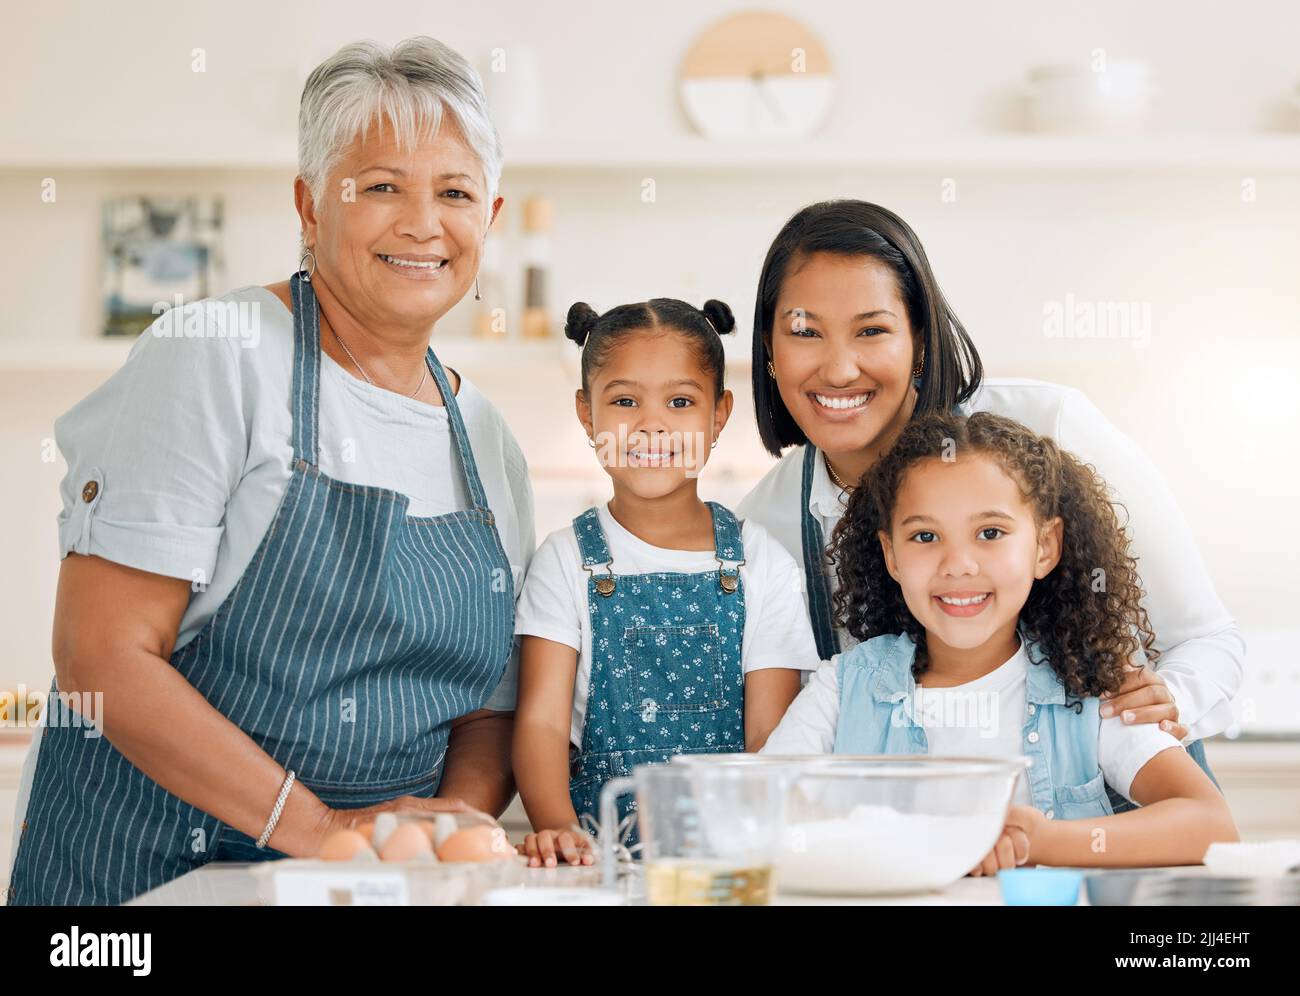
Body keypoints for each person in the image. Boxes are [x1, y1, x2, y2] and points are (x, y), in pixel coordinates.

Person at [8, 37, 531, 905]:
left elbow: (488, 708)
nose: (421, 224)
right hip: (148, 885)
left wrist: (438, 831)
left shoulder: (488, 440)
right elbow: (102, 656)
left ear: (492, 218)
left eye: (454, 193)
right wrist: (324, 834)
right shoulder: (214, 355)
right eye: (381, 187)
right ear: (310, 206)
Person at [737, 200, 1243, 811]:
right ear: (769, 347)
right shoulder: (763, 527)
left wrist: (1161, 705)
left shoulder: (1050, 424)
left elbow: (1210, 640)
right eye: (804, 332)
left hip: (1125, 837)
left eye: (872, 330)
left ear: (919, 339)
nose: (839, 368)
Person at [762, 411, 1239, 872]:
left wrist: (1043, 842)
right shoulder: (843, 689)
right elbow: (759, 809)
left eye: (990, 533)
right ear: (891, 556)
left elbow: (1211, 825)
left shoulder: (1089, 692)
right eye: (925, 536)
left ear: (1044, 547)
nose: (958, 564)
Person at [512, 297, 820, 867]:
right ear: (587, 415)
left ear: (718, 415)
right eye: (625, 401)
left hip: (730, 860)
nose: (652, 425)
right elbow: (541, 720)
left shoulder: (762, 563)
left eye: (680, 402)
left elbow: (769, 740)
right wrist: (558, 831)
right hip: (594, 865)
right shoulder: (563, 561)